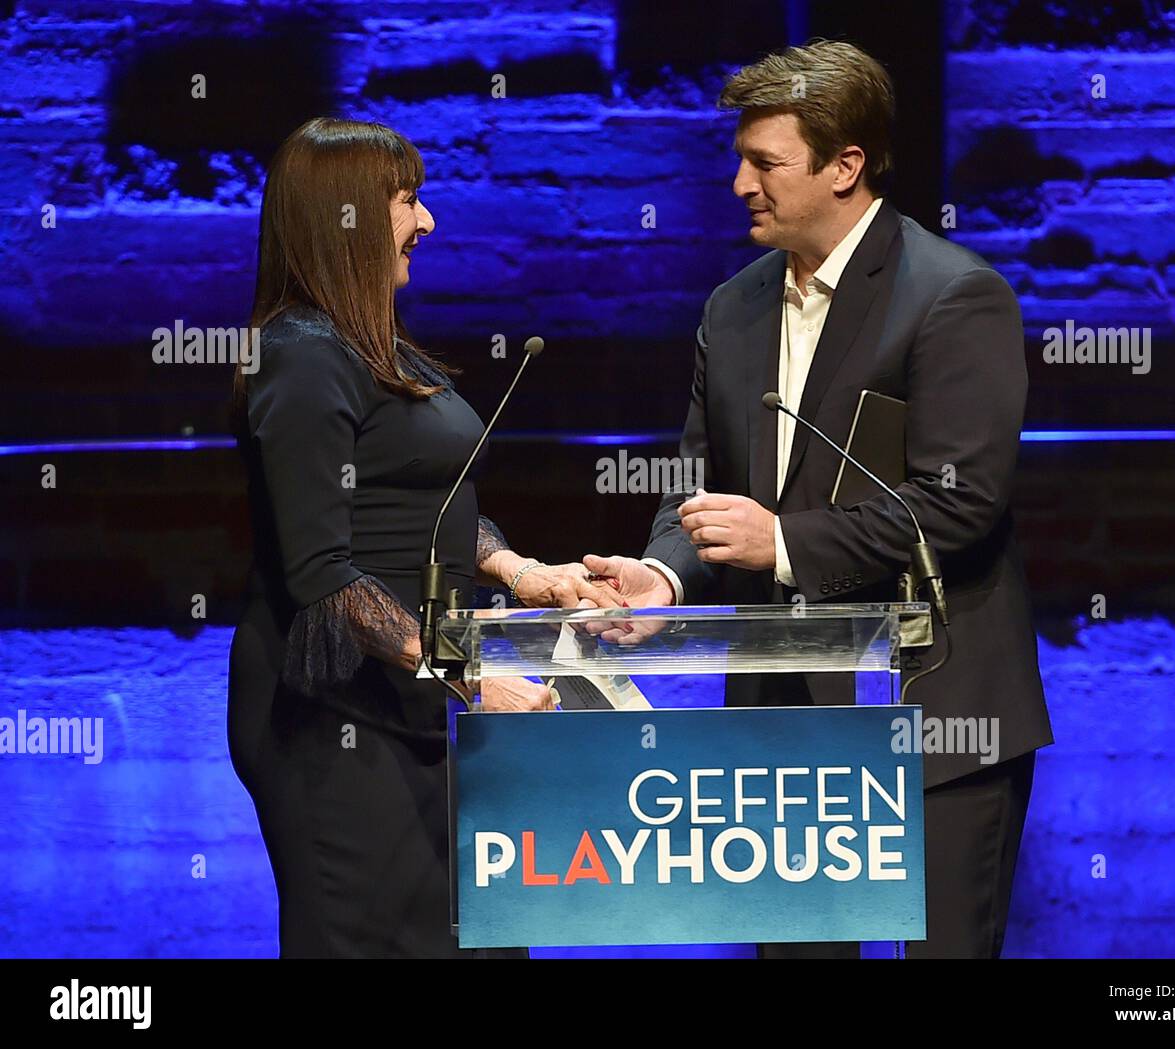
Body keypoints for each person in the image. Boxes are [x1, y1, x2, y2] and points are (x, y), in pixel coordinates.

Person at [581, 41, 1054, 959]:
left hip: (934, 711)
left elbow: (962, 503)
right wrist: (662, 579)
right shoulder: (732, 308)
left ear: (846, 166)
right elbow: (700, 489)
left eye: (765, 162)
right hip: (783, 726)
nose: (738, 184)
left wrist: (785, 543)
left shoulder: (954, 296)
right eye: (739, 158)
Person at [226, 117, 614, 958]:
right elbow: (322, 575)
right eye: (409, 201)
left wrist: (518, 569)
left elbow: (427, 508)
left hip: (417, 695)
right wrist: (472, 680)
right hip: (338, 718)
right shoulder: (300, 355)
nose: (428, 221)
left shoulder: (375, 344)